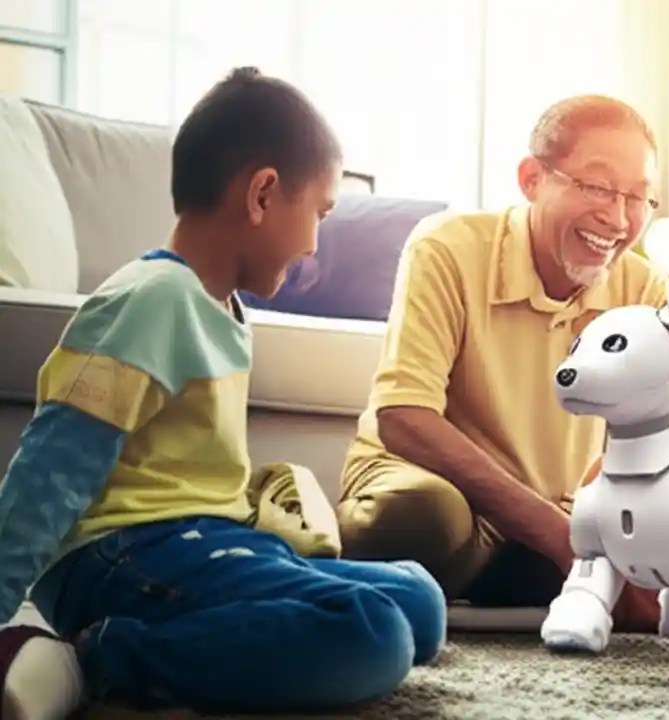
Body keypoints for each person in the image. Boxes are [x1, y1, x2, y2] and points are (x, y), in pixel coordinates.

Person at [0, 67, 446, 716]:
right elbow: (51, 467)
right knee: (375, 634)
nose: (316, 242)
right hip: (121, 555)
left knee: (420, 601)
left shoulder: (219, 307)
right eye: (319, 213)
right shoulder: (152, 301)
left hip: (201, 539)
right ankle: (89, 660)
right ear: (263, 194)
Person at [335, 94, 669, 631]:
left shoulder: (644, 288)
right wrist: (559, 537)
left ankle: (517, 573)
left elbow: (649, 446)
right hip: (439, 496)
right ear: (532, 178)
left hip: (550, 512)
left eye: (638, 197)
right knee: (420, 521)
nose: (616, 216)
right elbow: (402, 416)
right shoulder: (447, 246)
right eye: (596, 186)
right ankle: (523, 569)